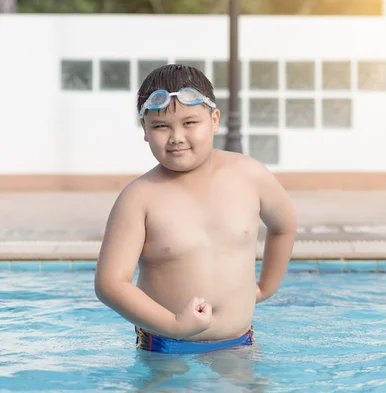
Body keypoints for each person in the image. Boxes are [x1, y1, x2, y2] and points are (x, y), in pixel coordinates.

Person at [94, 64, 297, 355]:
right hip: (165, 347)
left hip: (239, 344)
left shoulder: (249, 175)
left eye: (190, 123)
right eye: (161, 126)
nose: (176, 136)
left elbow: (284, 225)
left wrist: (266, 287)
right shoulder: (138, 198)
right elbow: (110, 284)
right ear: (145, 131)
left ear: (214, 120)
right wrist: (175, 324)